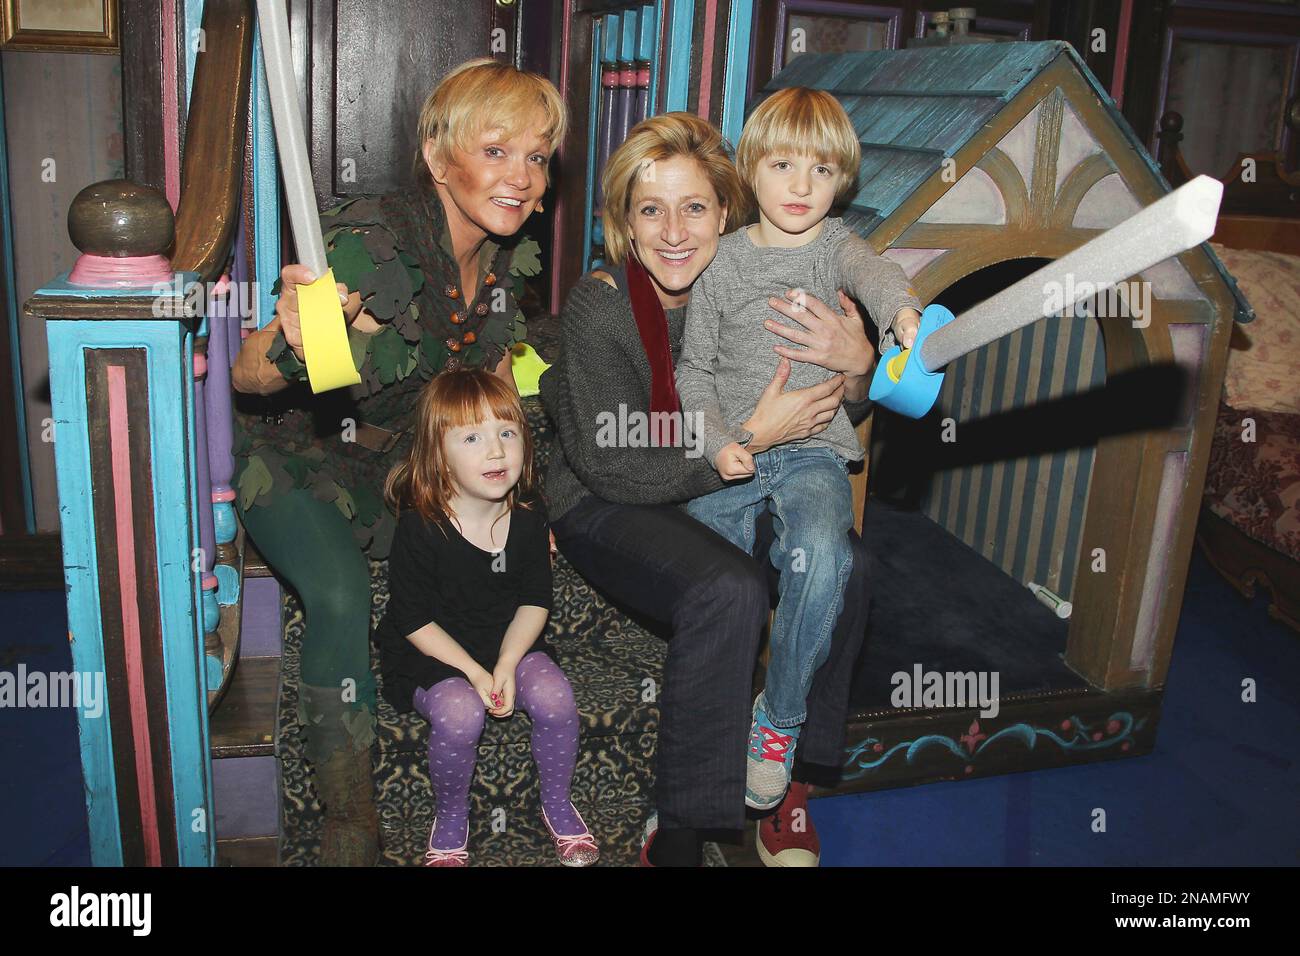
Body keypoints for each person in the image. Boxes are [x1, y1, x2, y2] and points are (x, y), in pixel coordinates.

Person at [230, 58, 566, 865]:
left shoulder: (498, 262)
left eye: (538, 155)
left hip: (401, 474)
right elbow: (250, 373)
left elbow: (487, 397)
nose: (521, 177)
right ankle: (350, 820)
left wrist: (523, 508)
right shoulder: (370, 237)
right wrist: (293, 343)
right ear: (437, 154)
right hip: (298, 462)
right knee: (343, 594)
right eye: (496, 151)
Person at [538, 112, 885, 867]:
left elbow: (827, 408)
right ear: (624, 223)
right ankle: (683, 831)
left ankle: (785, 779)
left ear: (727, 213)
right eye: (649, 209)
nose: (673, 231)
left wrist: (859, 364)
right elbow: (609, 455)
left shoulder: (752, 279)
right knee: (727, 590)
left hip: (725, 476)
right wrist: (752, 436)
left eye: (694, 207)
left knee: (849, 567)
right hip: (607, 496)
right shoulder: (605, 303)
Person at [675, 87, 922, 811]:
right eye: (783, 165)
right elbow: (693, 370)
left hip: (814, 449)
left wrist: (901, 311)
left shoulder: (836, 246)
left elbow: (877, 273)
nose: (801, 187)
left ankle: (778, 721)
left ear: (841, 180)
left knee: (826, 552)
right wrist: (721, 442)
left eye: (820, 171)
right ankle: (704, 720)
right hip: (737, 451)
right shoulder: (719, 261)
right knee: (711, 575)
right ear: (751, 170)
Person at [375, 369, 597, 867]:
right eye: (472, 437)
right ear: (438, 453)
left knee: (557, 698)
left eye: (507, 432)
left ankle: (558, 803)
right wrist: (476, 673)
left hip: (506, 638)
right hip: (430, 650)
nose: (495, 451)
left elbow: (536, 599)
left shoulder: (529, 517)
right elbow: (411, 620)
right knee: (461, 713)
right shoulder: (421, 528)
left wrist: (507, 662)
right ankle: (451, 817)